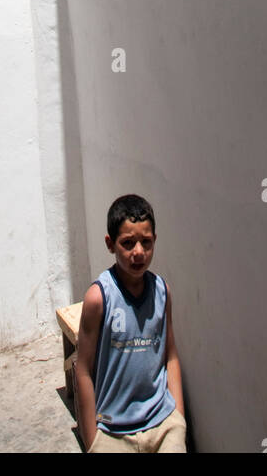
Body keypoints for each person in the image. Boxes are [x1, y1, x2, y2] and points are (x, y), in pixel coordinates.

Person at [75, 193, 186, 453]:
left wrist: (178, 419)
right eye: (128, 243)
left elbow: (171, 356)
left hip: (163, 424)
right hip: (112, 432)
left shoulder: (161, 291)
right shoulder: (98, 298)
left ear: (155, 241)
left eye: (146, 242)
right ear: (110, 244)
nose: (138, 252)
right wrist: (93, 441)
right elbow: (82, 369)